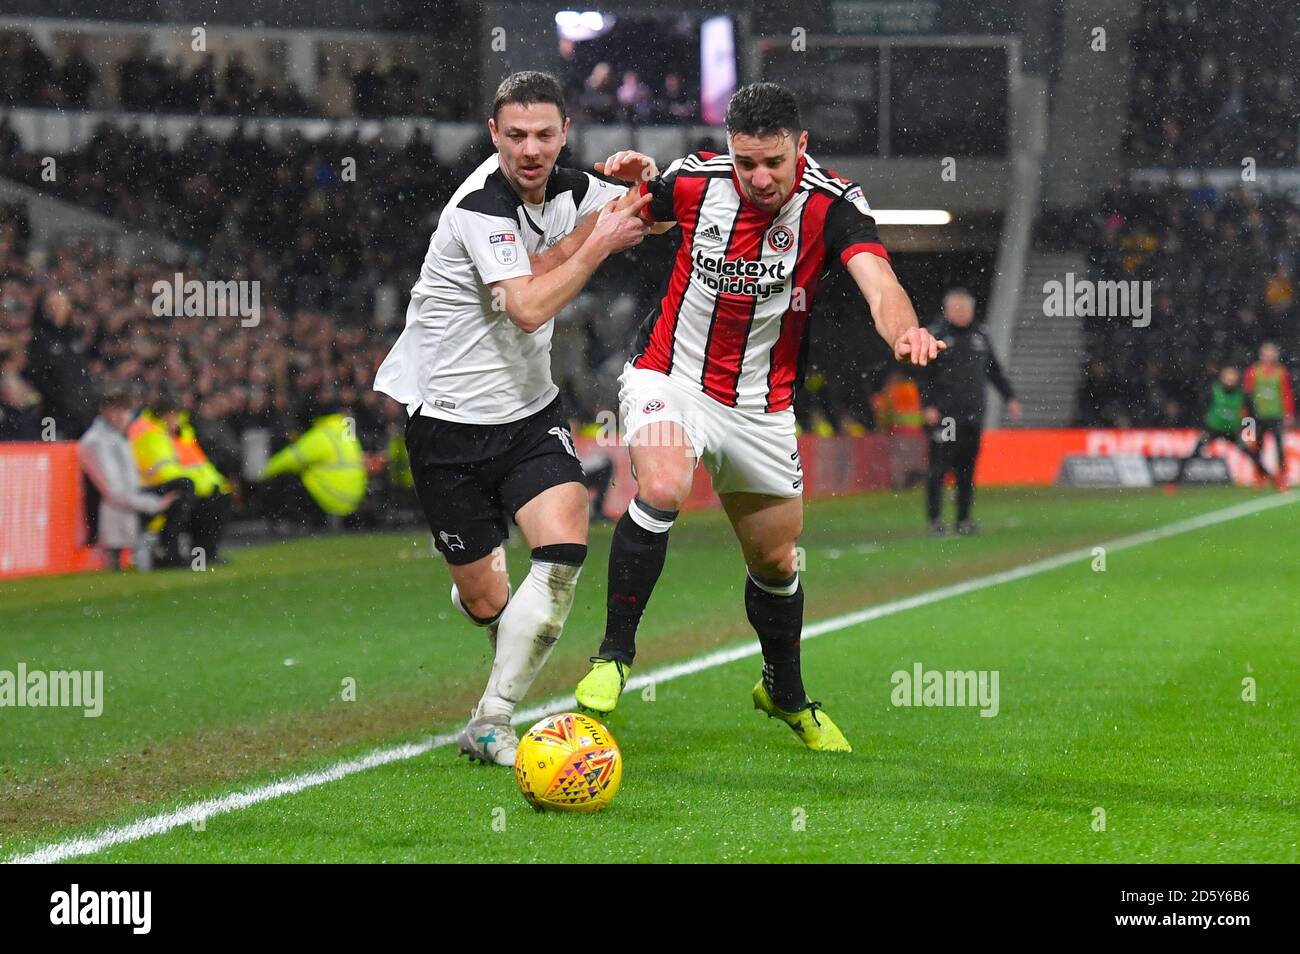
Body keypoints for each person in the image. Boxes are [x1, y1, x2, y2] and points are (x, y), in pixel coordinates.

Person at [572, 82, 943, 752]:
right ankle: (612, 656)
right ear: (730, 152)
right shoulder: (695, 180)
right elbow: (642, 213)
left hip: (761, 407)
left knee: (775, 559)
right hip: (670, 377)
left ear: (802, 147)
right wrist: (626, 187)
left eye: (774, 162)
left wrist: (904, 332)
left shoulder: (832, 205)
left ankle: (783, 690)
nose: (760, 177)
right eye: (746, 163)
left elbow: (879, 282)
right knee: (661, 488)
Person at [372, 71, 651, 766]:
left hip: (530, 415)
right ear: (494, 134)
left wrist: (647, 178)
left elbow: (652, 212)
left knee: (562, 553)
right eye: (517, 135)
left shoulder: (572, 185)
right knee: (487, 598)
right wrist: (595, 243)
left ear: (564, 134)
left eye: (545, 135)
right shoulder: (479, 205)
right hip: (447, 425)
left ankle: (491, 717)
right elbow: (524, 307)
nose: (531, 149)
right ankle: (489, 614)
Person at [917, 289, 1020, 535]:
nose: (961, 312)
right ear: (947, 310)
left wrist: (1010, 396)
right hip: (946, 416)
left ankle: (963, 520)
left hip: (973, 415)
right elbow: (924, 376)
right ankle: (935, 520)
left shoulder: (980, 336)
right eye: (956, 308)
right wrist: (928, 405)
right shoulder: (937, 335)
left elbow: (993, 370)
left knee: (967, 469)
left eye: (965, 308)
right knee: (939, 468)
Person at [128, 390, 232, 567]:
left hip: (181, 485)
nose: (176, 419)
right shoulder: (151, 433)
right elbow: (165, 472)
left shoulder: (180, 433)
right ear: (163, 415)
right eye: (172, 415)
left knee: (218, 497)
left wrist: (217, 485)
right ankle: (176, 556)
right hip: (153, 488)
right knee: (191, 494)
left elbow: (200, 465)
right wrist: (205, 487)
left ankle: (203, 557)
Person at [78, 384, 177, 569]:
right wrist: (153, 503)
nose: (123, 416)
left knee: (181, 487)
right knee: (180, 490)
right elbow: (113, 491)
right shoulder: (97, 442)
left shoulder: (118, 436)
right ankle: (165, 554)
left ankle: (168, 553)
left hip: (124, 507)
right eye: (117, 410)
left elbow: (127, 480)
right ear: (103, 411)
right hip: (110, 516)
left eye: (126, 410)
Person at [255, 402, 367, 527]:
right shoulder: (349, 436)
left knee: (285, 480)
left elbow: (290, 458)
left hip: (333, 497)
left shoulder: (323, 434)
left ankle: (291, 523)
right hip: (352, 499)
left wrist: (262, 474)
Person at [1178, 365, 1272, 485]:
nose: (1230, 379)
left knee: (1251, 455)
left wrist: (1248, 433)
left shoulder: (1242, 394)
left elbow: (1251, 415)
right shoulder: (1213, 390)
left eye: (1232, 376)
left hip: (1232, 432)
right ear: (1222, 377)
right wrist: (1202, 427)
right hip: (1213, 430)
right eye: (1227, 376)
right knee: (1194, 453)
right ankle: (1175, 481)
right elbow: (1201, 408)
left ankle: (1267, 477)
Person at [1243, 342, 1293, 489]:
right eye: (1266, 353)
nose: (1269, 356)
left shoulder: (1281, 372)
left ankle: (1282, 476)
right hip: (1257, 415)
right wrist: (1246, 415)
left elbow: (1286, 393)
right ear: (1261, 355)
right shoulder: (1253, 371)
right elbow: (1247, 393)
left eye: (1271, 353)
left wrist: (1288, 412)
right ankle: (1259, 476)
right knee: (1257, 446)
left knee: (1279, 446)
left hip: (1275, 414)